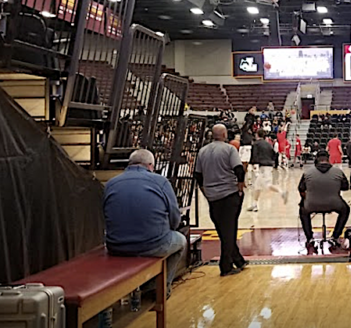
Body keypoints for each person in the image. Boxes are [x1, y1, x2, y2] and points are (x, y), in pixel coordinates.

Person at [104, 149, 187, 292]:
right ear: (150, 165)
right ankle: (159, 288)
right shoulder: (160, 181)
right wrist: (169, 228)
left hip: (116, 245)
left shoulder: (110, 183)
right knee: (181, 241)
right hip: (152, 244)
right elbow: (175, 217)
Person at [194, 124, 247, 276]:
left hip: (212, 197)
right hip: (229, 194)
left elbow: (198, 176)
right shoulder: (230, 149)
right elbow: (239, 170)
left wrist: (206, 193)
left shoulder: (202, 151)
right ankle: (226, 267)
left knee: (223, 231)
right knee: (229, 232)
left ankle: (239, 260)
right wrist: (240, 189)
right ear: (224, 134)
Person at [298, 151, 351, 248]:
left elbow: (301, 189)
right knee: (345, 210)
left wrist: (305, 199)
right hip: (334, 203)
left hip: (311, 204)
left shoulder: (307, 173)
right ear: (328, 159)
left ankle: (309, 237)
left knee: (303, 211)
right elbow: (346, 187)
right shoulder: (338, 172)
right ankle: (335, 235)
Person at [247, 129, 288, 212]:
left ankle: (282, 192)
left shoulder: (256, 144)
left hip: (263, 167)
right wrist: (273, 163)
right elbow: (274, 154)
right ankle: (254, 205)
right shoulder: (268, 144)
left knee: (267, 185)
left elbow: (254, 155)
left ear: (257, 135)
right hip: (268, 165)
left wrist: (252, 164)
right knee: (257, 186)